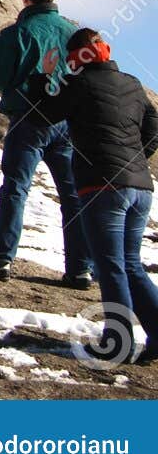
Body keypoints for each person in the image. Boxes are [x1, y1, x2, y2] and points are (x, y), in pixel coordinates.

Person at [0, 0, 95, 285]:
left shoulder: (18, 32)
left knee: (15, 189)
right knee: (73, 195)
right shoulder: (73, 32)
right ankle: (80, 269)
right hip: (67, 124)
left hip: (29, 118)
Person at [39, 29, 158, 365]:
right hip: (141, 188)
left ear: (77, 58)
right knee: (131, 265)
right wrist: (137, 158)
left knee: (110, 267)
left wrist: (47, 75)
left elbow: (44, 113)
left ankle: (117, 343)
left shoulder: (79, 86)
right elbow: (154, 124)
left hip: (102, 188)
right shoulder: (133, 83)